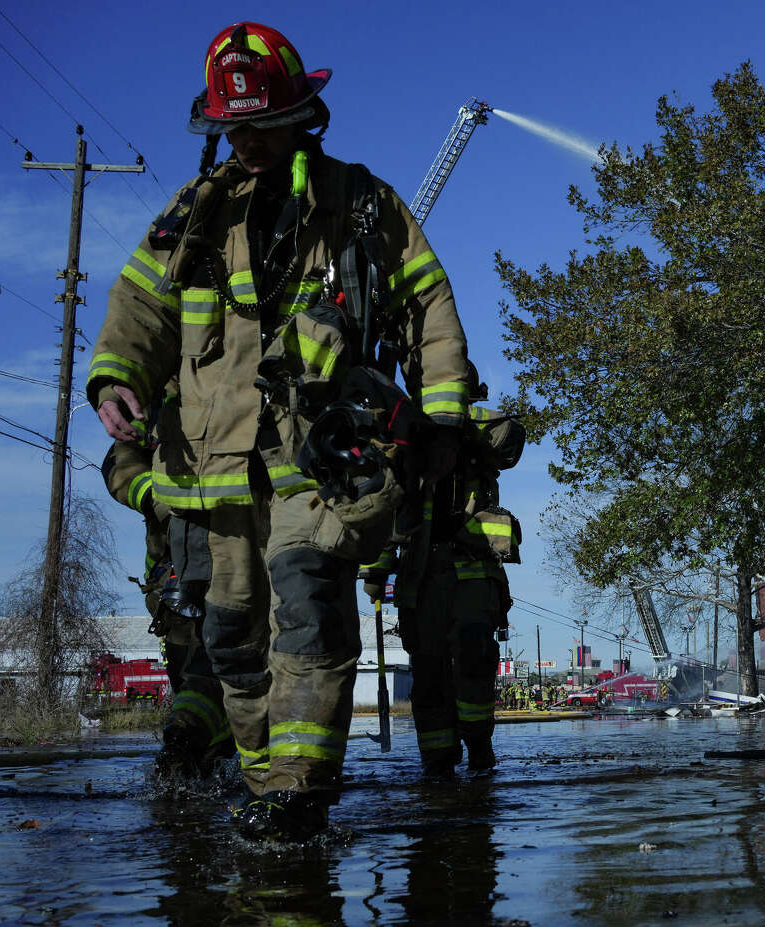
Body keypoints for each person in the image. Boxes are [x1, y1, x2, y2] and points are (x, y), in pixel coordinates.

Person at [88, 21, 471, 841]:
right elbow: (140, 311)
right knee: (230, 637)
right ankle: (264, 783)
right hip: (212, 471)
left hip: (317, 463)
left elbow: (432, 313)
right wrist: (116, 377)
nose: (248, 141)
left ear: (303, 113)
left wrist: (440, 417)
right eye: (236, 127)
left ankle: (299, 791)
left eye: (262, 123)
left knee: (307, 611)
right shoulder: (193, 215)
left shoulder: (362, 205)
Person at [363, 367, 521, 778]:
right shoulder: (402, 439)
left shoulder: (481, 433)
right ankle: (437, 762)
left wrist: (453, 426)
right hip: (420, 579)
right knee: (429, 673)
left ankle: (479, 745)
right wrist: (376, 573)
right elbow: (386, 510)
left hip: (471, 571)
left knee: (474, 653)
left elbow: (510, 440)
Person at [99, 405, 233, 782]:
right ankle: (187, 753)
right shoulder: (160, 410)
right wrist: (158, 500)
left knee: (222, 679)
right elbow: (118, 466)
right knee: (197, 681)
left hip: (242, 570)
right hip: (180, 583)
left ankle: (193, 760)